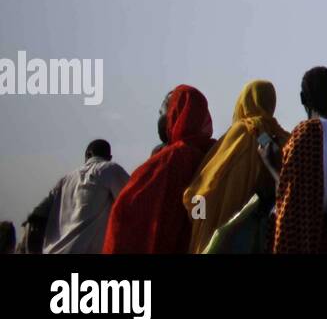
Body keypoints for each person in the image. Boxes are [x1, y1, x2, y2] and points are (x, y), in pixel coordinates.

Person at [104, 86, 215, 254]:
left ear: (177, 113)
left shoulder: (170, 159)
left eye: (163, 111)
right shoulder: (214, 155)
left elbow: (126, 211)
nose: (161, 117)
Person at [183, 80, 289, 253]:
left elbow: (208, 181)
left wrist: (194, 203)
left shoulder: (243, 131)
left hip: (227, 230)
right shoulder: (285, 138)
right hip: (265, 233)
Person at [268, 67, 327, 254]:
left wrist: (270, 164)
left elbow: (288, 194)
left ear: (303, 99)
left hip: (304, 236)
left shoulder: (305, 133)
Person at [27, 140, 130, 254]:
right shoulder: (110, 169)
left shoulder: (65, 180)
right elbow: (132, 201)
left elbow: (36, 214)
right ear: (110, 157)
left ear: (88, 154)